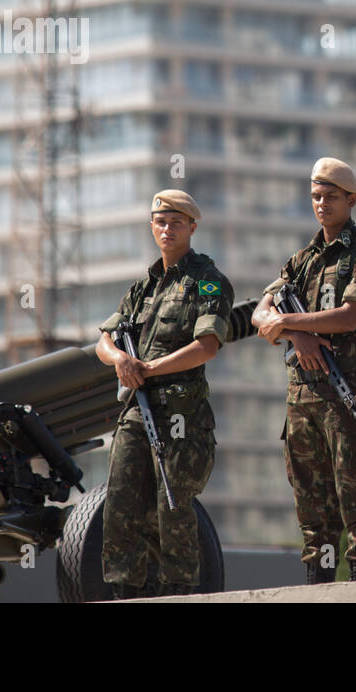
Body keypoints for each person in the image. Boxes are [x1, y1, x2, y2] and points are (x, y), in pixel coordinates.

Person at [252, 159, 356, 583]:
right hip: (301, 399)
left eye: (331, 197)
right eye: (316, 196)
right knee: (313, 508)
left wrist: (291, 324)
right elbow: (261, 312)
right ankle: (320, 586)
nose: (322, 204)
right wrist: (298, 337)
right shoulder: (301, 260)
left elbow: (349, 317)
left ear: (351, 200)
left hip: (343, 396)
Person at [95, 189, 234, 597]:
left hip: (181, 414)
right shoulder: (143, 288)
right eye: (160, 221)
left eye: (176, 222)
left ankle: (179, 590)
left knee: (171, 506)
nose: (167, 229)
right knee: (121, 505)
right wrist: (120, 359)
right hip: (138, 412)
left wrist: (150, 368)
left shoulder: (208, 282)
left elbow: (207, 344)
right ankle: (125, 591)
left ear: (192, 226)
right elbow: (104, 340)